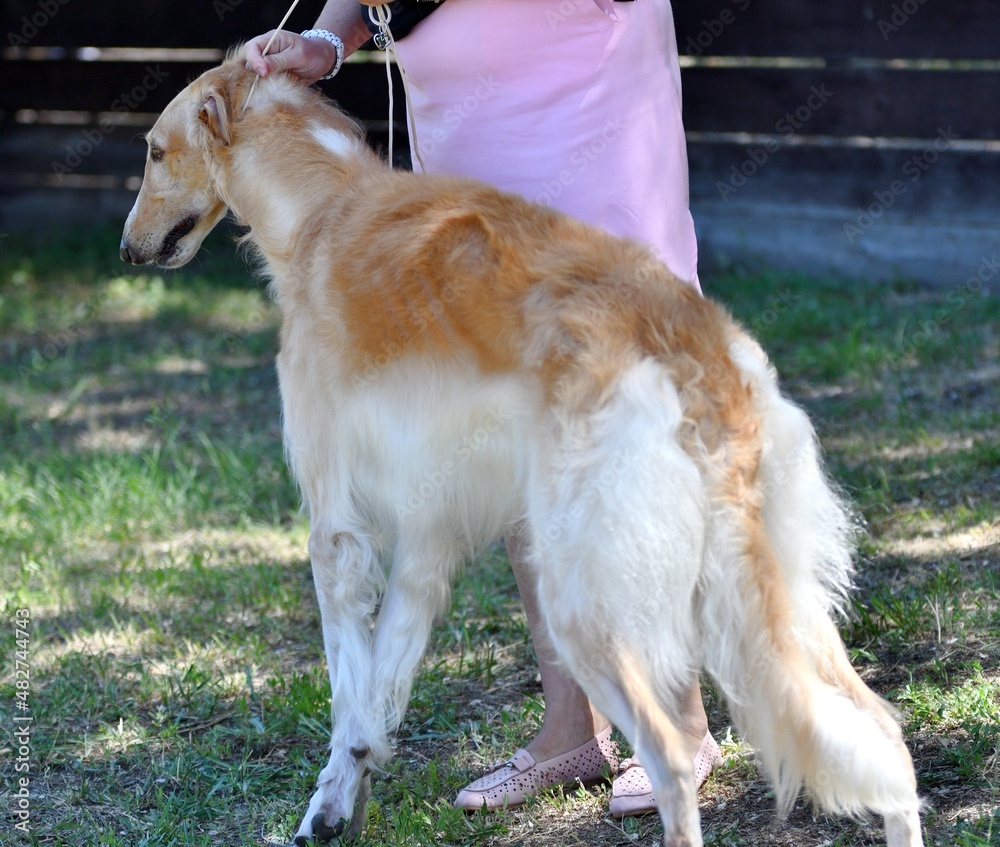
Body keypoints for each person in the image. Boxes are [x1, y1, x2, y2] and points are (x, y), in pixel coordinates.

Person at [245, 0, 721, 818]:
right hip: (463, 115)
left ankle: (677, 719)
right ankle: (571, 726)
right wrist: (331, 36)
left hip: (580, 79)